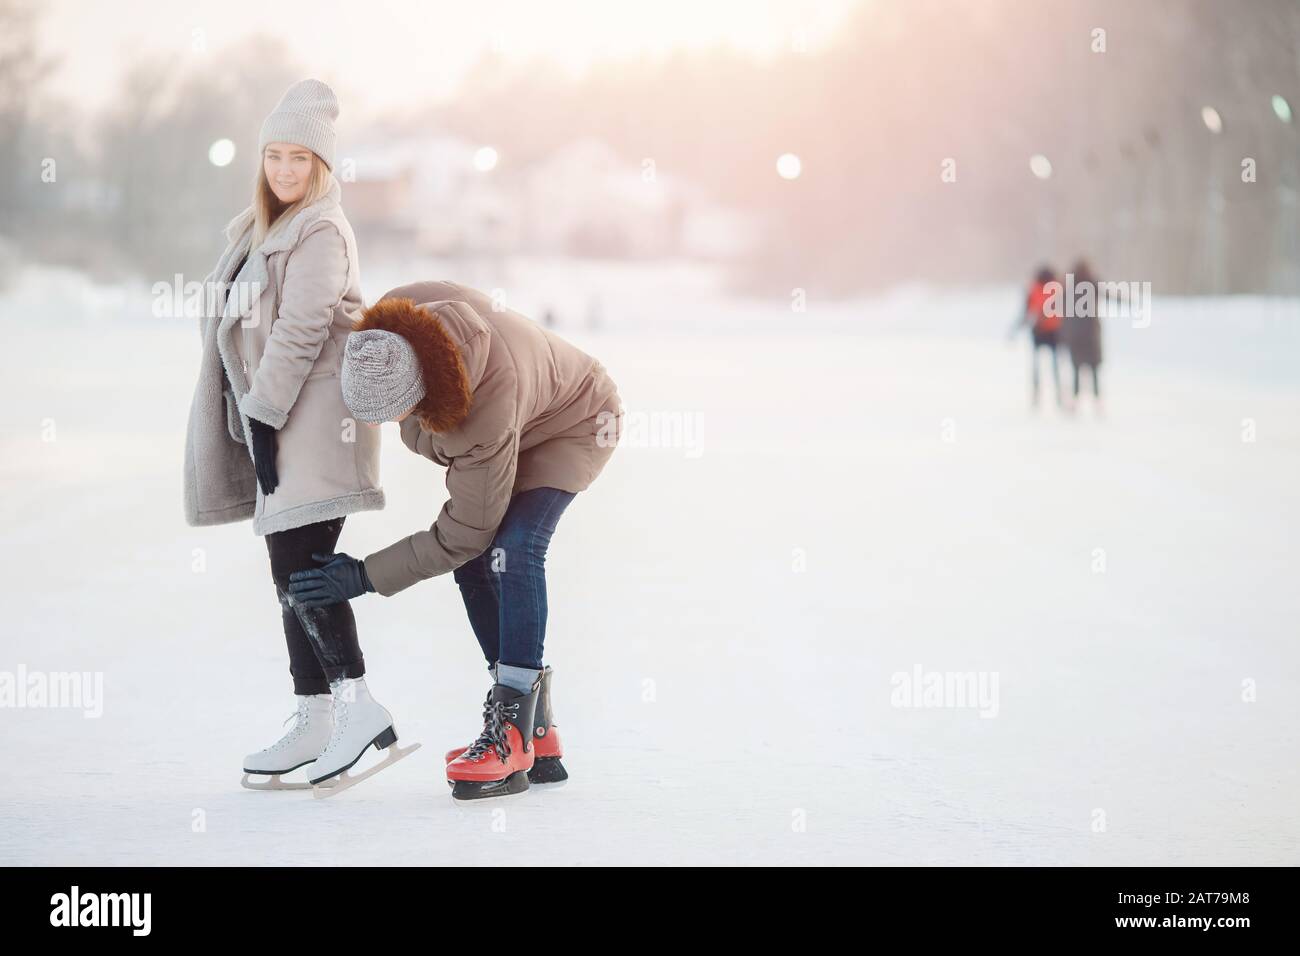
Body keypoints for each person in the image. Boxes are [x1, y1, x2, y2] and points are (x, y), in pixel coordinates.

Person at [286, 281, 623, 800]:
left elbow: (465, 532)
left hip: (576, 422)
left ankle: (512, 732)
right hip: (525, 409)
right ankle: (537, 731)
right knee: (476, 564)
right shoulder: (391, 331)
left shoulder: (478, 414)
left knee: (512, 550)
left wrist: (364, 576)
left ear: (419, 396)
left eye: (396, 416)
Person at [182, 80, 413, 795]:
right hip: (282, 420)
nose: (284, 170)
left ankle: (358, 705)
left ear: (323, 165)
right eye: (274, 156)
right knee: (291, 571)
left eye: (299, 158)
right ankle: (315, 713)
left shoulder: (322, 230)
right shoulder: (263, 230)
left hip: (311, 422)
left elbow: (303, 327)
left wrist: (263, 414)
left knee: (304, 567)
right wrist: (256, 416)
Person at [1013, 265, 1065, 408]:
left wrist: (1016, 329)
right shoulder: (1057, 287)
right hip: (1054, 331)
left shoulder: (1034, 288)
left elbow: (1026, 311)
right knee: (1055, 367)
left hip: (1038, 331)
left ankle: (1036, 395)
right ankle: (1058, 395)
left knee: (1036, 366)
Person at [1063, 259, 1104, 413]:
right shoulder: (1093, 284)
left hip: (1076, 336)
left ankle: (1074, 402)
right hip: (1091, 335)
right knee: (1093, 371)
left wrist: (1064, 334)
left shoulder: (1070, 287)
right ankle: (1098, 403)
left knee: (1076, 370)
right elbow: (1109, 294)